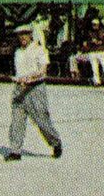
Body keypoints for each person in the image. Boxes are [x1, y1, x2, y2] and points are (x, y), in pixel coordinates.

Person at [4, 23, 63, 161]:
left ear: (30, 35)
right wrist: (19, 80)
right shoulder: (18, 51)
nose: (22, 37)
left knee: (41, 120)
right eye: (20, 34)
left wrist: (30, 78)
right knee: (17, 121)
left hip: (35, 88)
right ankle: (15, 150)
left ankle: (55, 142)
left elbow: (43, 71)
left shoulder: (39, 49)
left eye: (25, 34)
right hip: (20, 88)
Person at [83, 19, 104, 86]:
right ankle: (97, 81)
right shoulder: (89, 32)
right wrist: (91, 42)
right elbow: (85, 43)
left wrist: (101, 42)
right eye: (93, 24)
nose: (94, 26)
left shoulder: (103, 31)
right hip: (93, 51)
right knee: (94, 67)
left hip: (101, 50)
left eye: (96, 24)